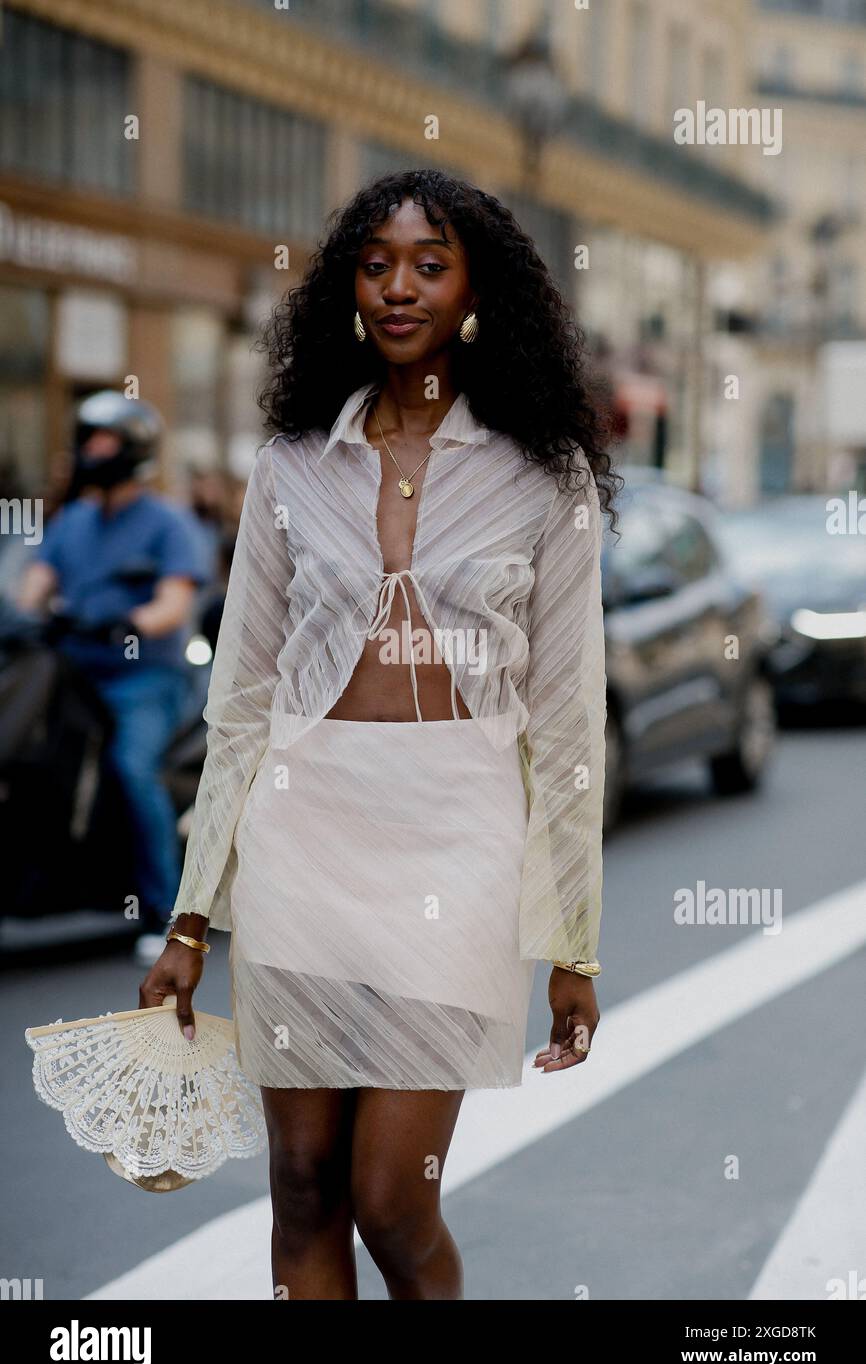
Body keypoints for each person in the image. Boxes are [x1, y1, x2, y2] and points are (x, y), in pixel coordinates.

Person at [141, 169, 621, 1300]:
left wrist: (575, 945)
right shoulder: (288, 467)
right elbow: (244, 701)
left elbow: (562, 721)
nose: (399, 286)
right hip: (302, 845)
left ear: (473, 289)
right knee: (304, 1185)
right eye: (375, 262)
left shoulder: (542, 477)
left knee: (393, 1198)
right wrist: (192, 917)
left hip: (454, 850)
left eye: (429, 262)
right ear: (347, 288)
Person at [17, 392, 211, 961]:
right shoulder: (72, 520)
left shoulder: (168, 523)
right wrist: (23, 616)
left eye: (104, 441)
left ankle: (168, 915)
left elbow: (174, 604)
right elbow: (33, 587)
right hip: (67, 674)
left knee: (131, 767)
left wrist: (131, 621)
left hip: (144, 680)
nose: (91, 450)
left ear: (133, 450)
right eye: (87, 439)